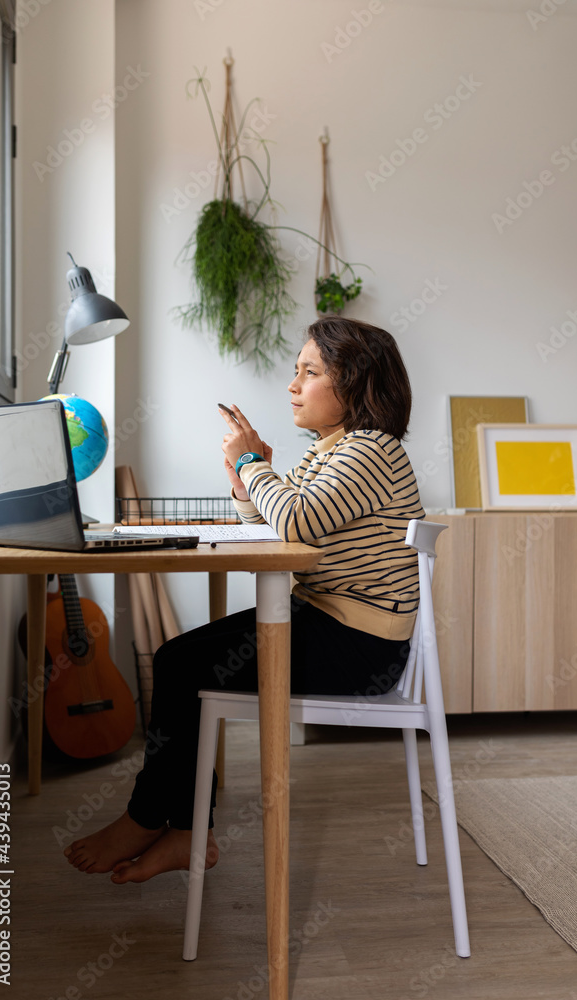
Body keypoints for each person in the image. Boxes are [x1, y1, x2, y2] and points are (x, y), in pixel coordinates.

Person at [64, 317, 425, 883]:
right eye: (296, 370)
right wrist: (244, 478)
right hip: (328, 622)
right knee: (176, 659)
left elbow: (297, 520)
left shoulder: (370, 451)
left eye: (310, 372)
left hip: (360, 646)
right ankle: (180, 829)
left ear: (354, 385)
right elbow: (274, 528)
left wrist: (255, 464)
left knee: (180, 664)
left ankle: (160, 824)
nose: (293, 384)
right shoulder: (331, 450)